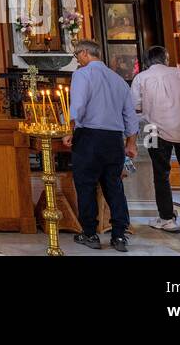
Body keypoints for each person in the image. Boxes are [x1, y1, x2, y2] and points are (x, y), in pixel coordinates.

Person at [64, 38, 138, 252]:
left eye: (77, 55)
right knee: (114, 186)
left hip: (89, 137)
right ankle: (119, 236)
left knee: (86, 185)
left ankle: (89, 233)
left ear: (85, 53)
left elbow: (77, 105)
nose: (77, 60)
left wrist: (70, 132)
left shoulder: (82, 74)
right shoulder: (118, 80)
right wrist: (131, 143)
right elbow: (130, 116)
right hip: (114, 139)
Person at [130, 45, 180, 234]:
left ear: (146, 62)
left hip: (153, 129)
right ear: (166, 59)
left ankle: (166, 218)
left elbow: (134, 108)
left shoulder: (140, 78)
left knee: (160, 175)